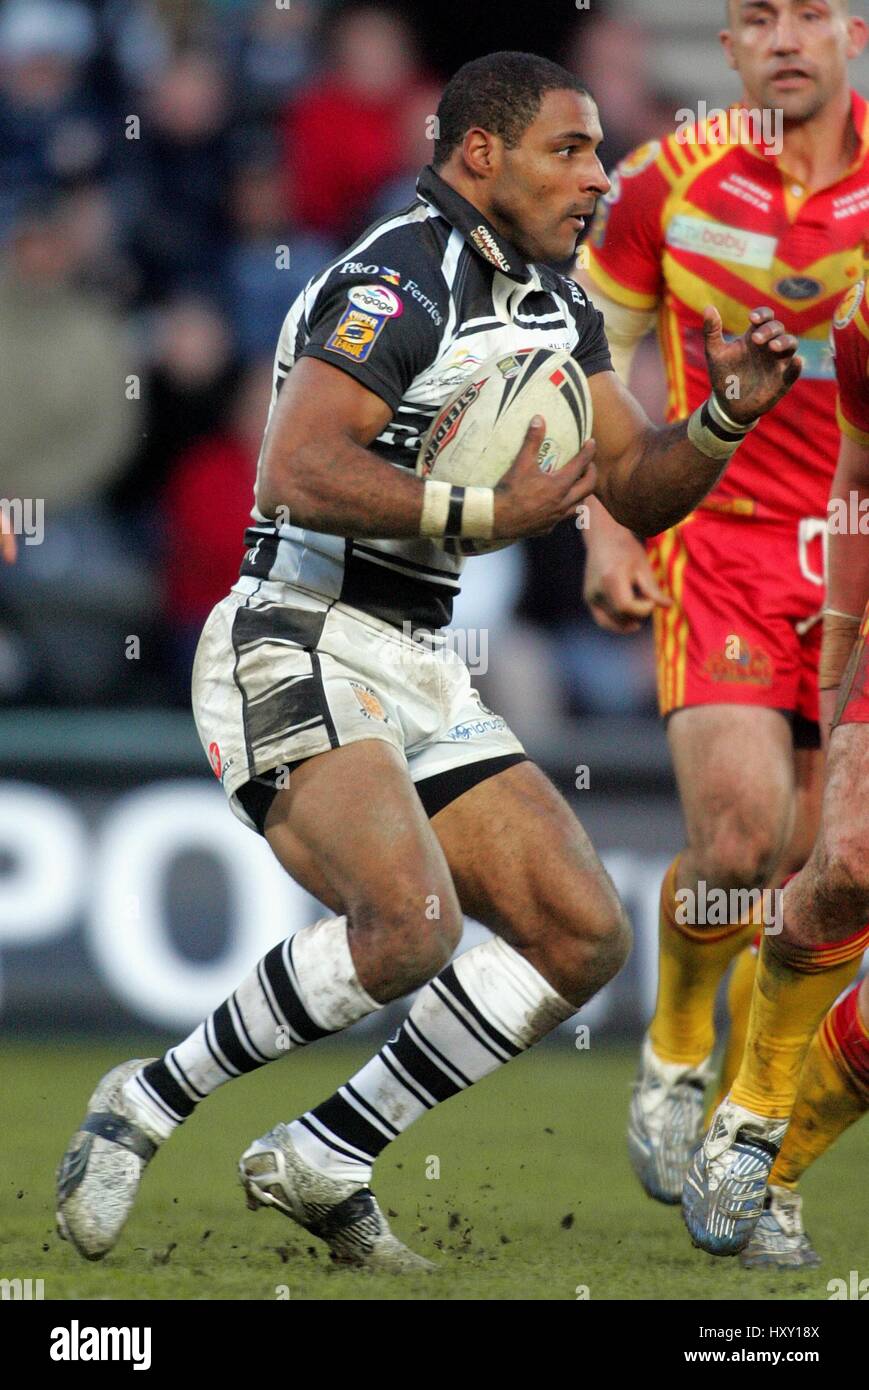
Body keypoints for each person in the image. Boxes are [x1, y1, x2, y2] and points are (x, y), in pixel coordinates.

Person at [56, 50, 800, 1272]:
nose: (598, 179)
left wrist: (720, 417)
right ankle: (147, 1098)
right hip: (293, 629)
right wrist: (477, 515)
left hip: (410, 652)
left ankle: (328, 1153)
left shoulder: (558, 303)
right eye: (569, 150)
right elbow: (298, 466)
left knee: (579, 933)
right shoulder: (396, 281)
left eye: (599, 152)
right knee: (406, 924)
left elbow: (633, 485)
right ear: (478, 156)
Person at [576, 0, 869, 1205]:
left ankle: (749, 1135)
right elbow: (587, 353)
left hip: (854, 548)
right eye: (759, 16)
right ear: (728, 50)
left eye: (812, 12)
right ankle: (674, 1049)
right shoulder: (664, 183)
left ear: (852, 34)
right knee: (738, 841)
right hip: (725, 541)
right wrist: (604, 522)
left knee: (817, 868)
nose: (787, 35)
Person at [685, 249, 869, 1257]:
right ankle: (748, 1108)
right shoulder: (863, 312)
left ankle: (779, 1170)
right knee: (846, 865)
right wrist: (839, 640)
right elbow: (858, 468)